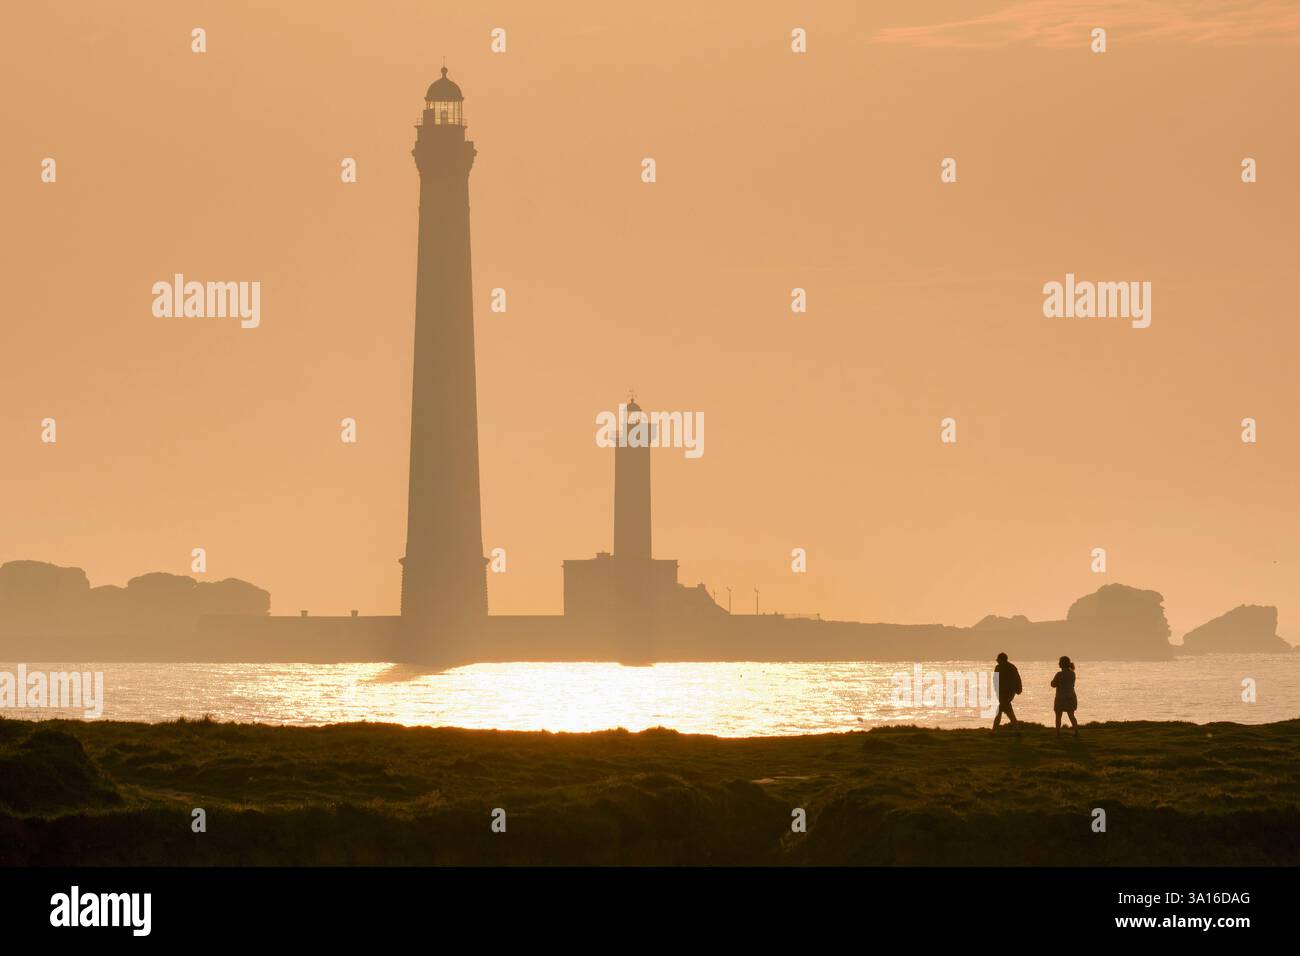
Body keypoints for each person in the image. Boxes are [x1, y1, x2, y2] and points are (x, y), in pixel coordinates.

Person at [992, 652, 1021, 731]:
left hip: (1008, 693)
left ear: (1002, 660)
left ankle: (993, 730)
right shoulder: (999, 668)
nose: (997, 661)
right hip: (1002, 693)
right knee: (1007, 711)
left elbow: (1017, 679)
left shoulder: (1011, 667)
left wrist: (1018, 689)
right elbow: (995, 681)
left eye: (998, 660)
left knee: (1001, 710)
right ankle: (1017, 730)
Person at [1051, 655, 1079, 736]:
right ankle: (1076, 731)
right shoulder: (1072, 674)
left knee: (1058, 716)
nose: (1058, 663)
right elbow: (1072, 685)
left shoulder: (1059, 674)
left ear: (1063, 664)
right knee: (1071, 715)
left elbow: (1053, 684)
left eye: (1060, 662)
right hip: (1071, 696)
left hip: (1060, 697)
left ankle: (1057, 733)